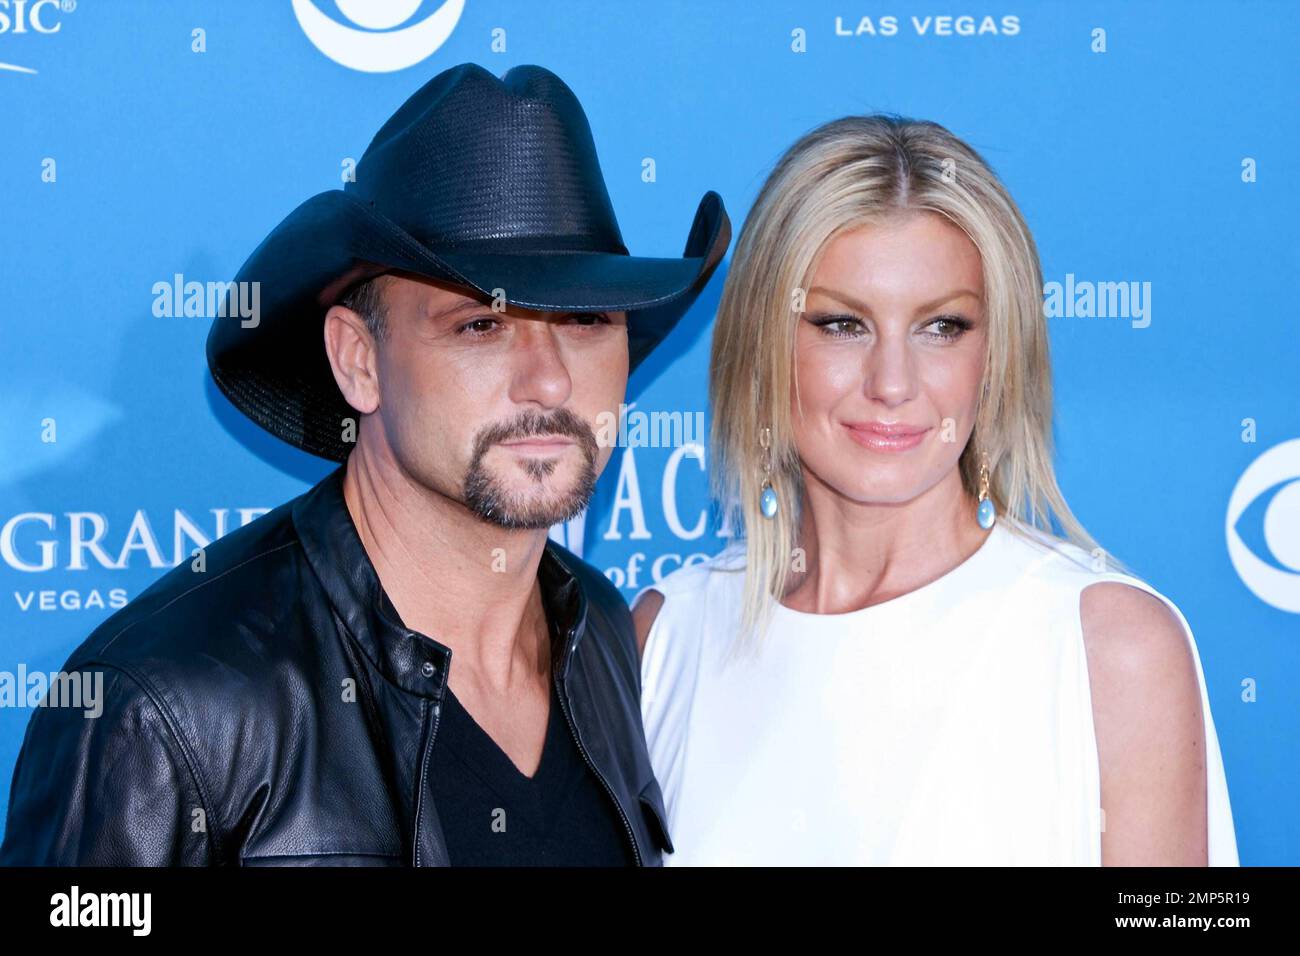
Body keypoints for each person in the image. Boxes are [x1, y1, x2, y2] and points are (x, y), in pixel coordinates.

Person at [0, 62, 729, 866]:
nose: (551, 379)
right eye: (481, 327)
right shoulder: (164, 711)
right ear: (358, 360)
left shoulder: (597, 632)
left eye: (588, 317)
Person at [632, 115, 1238, 866]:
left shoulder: (1112, 649)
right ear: (763, 343)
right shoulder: (665, 639)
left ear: (998, 354)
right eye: (843, 324)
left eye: (942, 326)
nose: (892, 384)